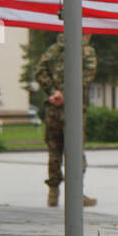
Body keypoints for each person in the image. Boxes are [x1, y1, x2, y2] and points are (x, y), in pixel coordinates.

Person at [34, 30, 97, 207]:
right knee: (75, 150)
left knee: (54, 150)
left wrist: (54, 92)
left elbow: (39, 72)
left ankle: (53, 193)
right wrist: (67, 93)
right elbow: (88, 75)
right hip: (75, 109)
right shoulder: (86, 51)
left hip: (54, 107)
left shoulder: (52, 50)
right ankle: (76, 194)